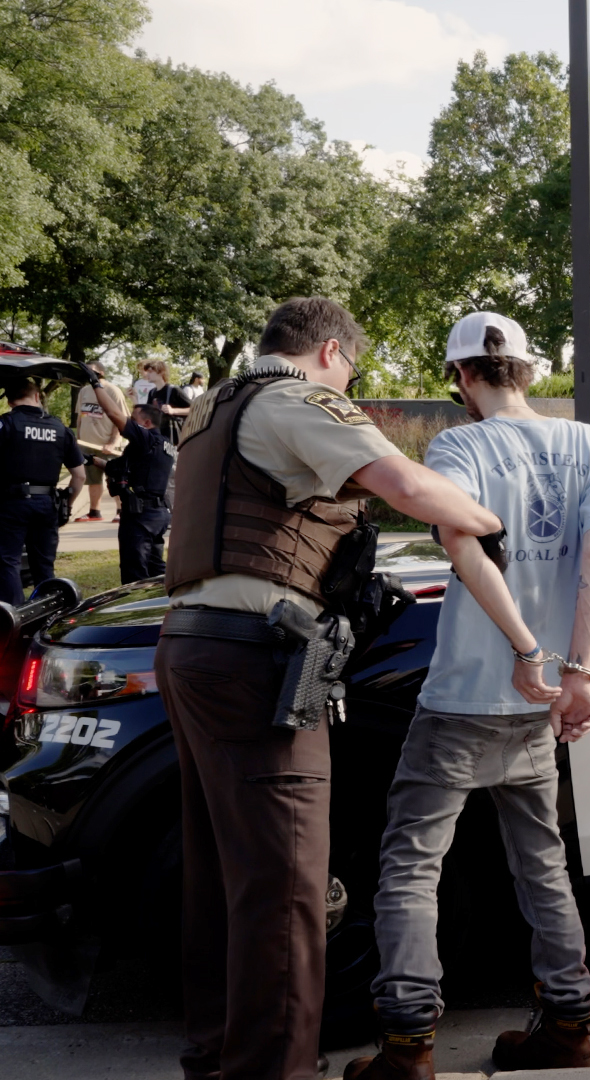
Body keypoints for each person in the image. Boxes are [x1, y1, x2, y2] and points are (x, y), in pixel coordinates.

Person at [156, 297, 502, 1080]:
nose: (349, 387)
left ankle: (217, 1059)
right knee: (288, 890)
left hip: (194, 646)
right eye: (350, 371)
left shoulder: (214, 407)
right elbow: (403, 483)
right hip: (260, 661)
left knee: (221, 879)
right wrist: (486, 519)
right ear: (330, 354)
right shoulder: (298, 400)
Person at [347, 313, 590, 1079]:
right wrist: (574, 670)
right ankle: (569, 1026)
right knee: (541, 860)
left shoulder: (458, 446)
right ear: (528, 372)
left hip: (468, 690)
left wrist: (523, 650)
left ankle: (407, 1046)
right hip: (543, 705)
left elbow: (461, 541)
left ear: (463, 377)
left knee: (410, 864)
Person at [0, 377, 87, 605]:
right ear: (37, 396)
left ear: (10, 401)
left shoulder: (6, 424)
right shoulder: (60, 428)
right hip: (48, 503)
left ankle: (13, 615)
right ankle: (46, 612)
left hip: (12, 503)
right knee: (44, 564)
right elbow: (79, 475)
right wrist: (66, 503)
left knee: (7, 561)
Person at [105, 401, 174, 583]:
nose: (128, 422)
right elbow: (121, 467)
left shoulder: (147, 440)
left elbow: (113, 412)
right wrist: (91, 460)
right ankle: (163, 602)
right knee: (155, 567)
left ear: (146, 423)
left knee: (134, 571)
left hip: (141, 515)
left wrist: (95, 383)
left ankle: (136, 608)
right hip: (157, 513)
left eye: (133, 419)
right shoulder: (163, 444)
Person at [71, 361, 128, 523]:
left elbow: (120, 418)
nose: (88, 374)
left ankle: (121, 511)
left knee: (115, 479)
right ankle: (94, 512)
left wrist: (113, 441)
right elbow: (80, 417)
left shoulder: (113, 391)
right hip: (88, 445)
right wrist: (79, 439)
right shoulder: (84, 391)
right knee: (92, 480)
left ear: (101, 372)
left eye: (91, 371)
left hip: (108, 446)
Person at [140, 358, 194, 442]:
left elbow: (194, 409)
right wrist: (134, 398)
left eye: (150, 371)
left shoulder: (174, 390)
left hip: (172, 438)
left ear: (161, 372)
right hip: (157, 437)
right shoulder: (152, 393)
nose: (147, 374)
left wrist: (173, 411)